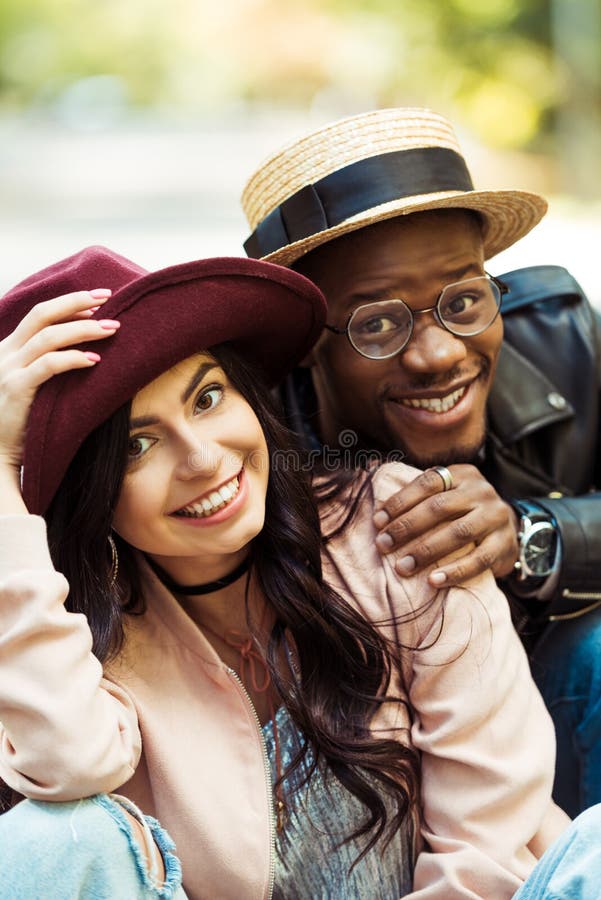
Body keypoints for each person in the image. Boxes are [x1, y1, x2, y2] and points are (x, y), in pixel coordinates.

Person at [0, 243, 576, 899]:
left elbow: (487, 843)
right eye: (137, 445)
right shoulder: (73, 642)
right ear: (90, 495)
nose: (202, 458)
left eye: (208, 397)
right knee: (48, 840)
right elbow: (69, 769)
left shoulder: (397, 521)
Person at [241, 106, 601, 818]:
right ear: (308, 338)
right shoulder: (248, 431)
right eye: (376, 322)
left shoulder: (562, 337)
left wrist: (527, 535)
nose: (438, 355)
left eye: (464, 300)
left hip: (553, 700)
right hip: (362, 757)